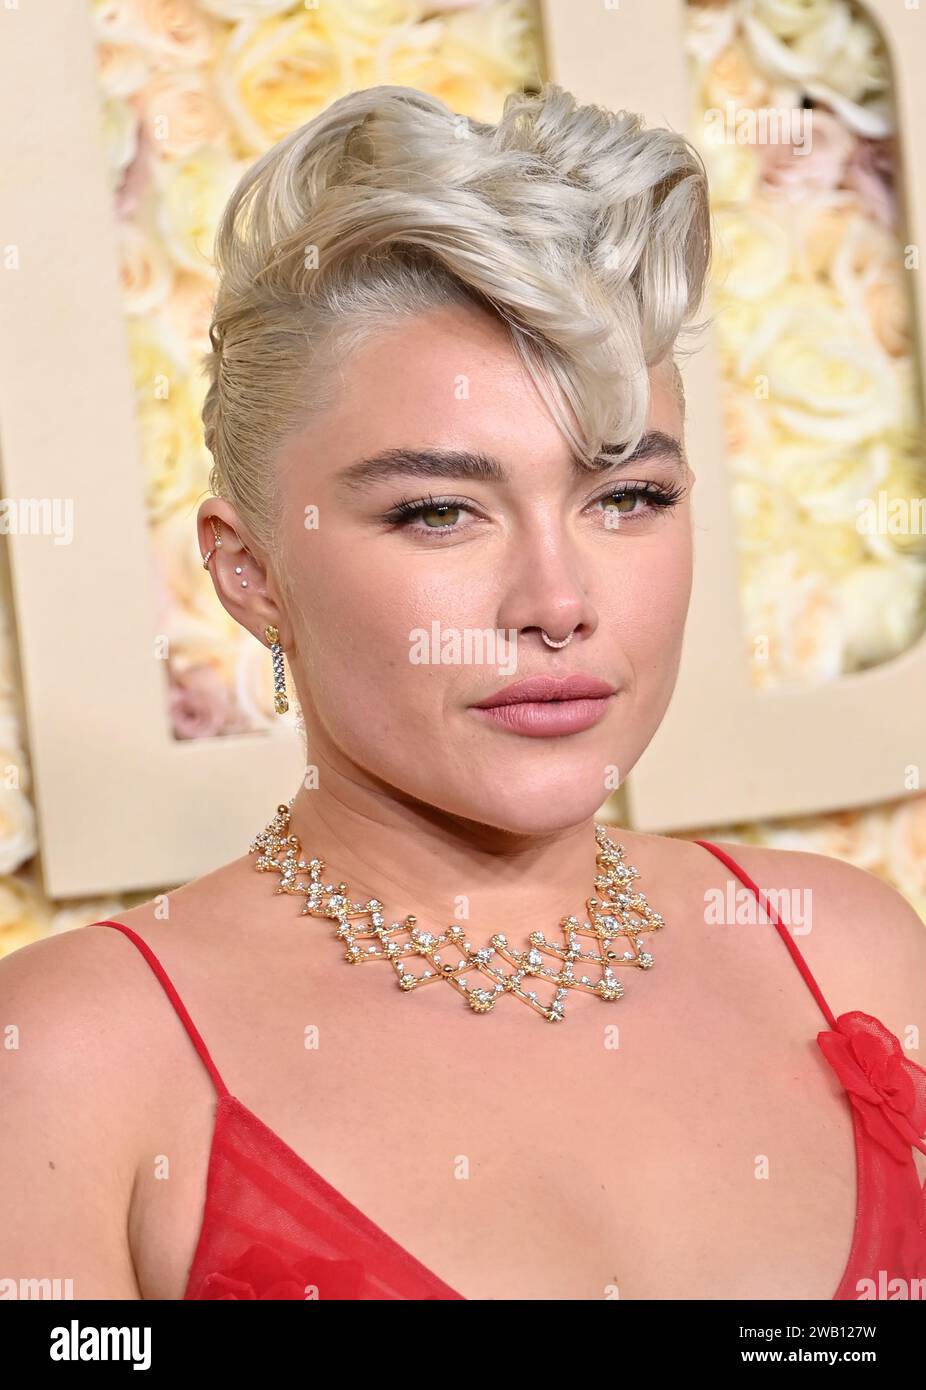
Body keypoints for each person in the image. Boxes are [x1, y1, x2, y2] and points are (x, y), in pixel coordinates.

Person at [1, 83, 924, 1302]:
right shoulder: (71, 1055)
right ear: (252, 573)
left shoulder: (852, 949)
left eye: (625, 498)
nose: (557, 599)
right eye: (438, 510)